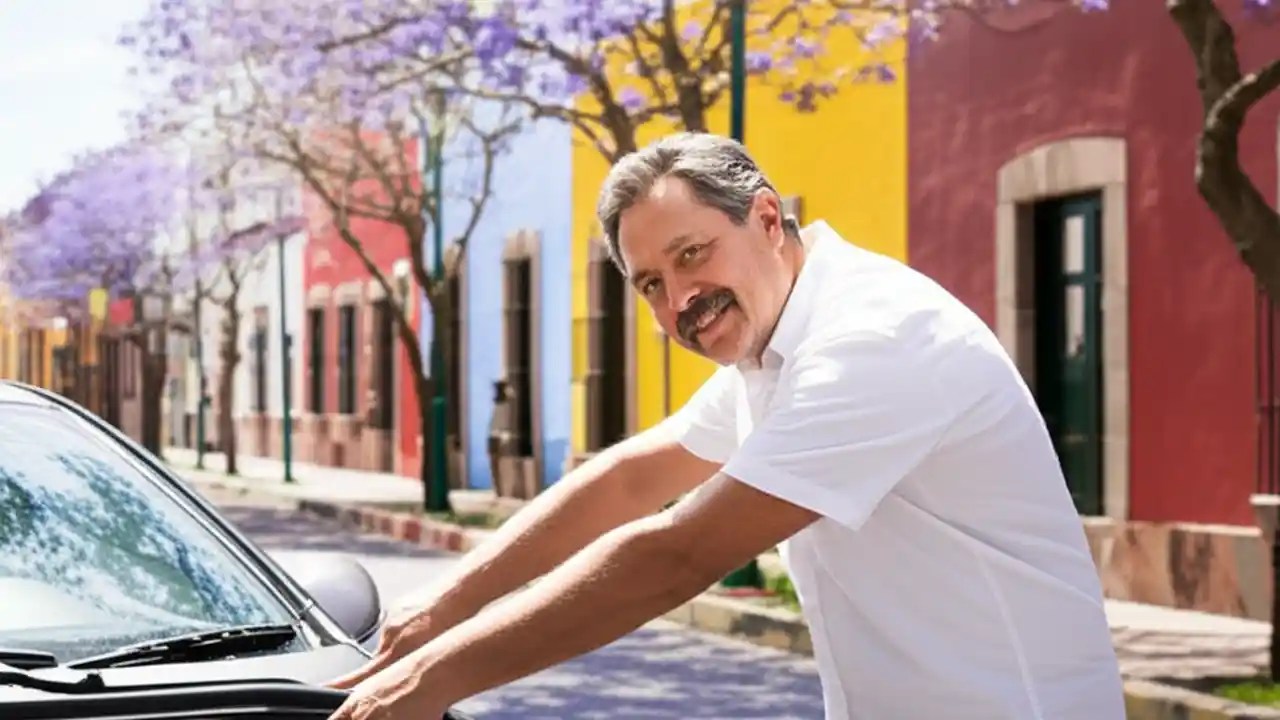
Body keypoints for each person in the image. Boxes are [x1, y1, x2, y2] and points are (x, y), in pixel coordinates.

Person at [327, 132, 1126, 720]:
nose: (678, 301)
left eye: (692, 254)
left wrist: (425, 683)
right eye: (649, 284)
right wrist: (437, 607)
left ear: (769, 219)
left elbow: (676, 552)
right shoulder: (775, 343)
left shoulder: (871, 341)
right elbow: (632, 477)